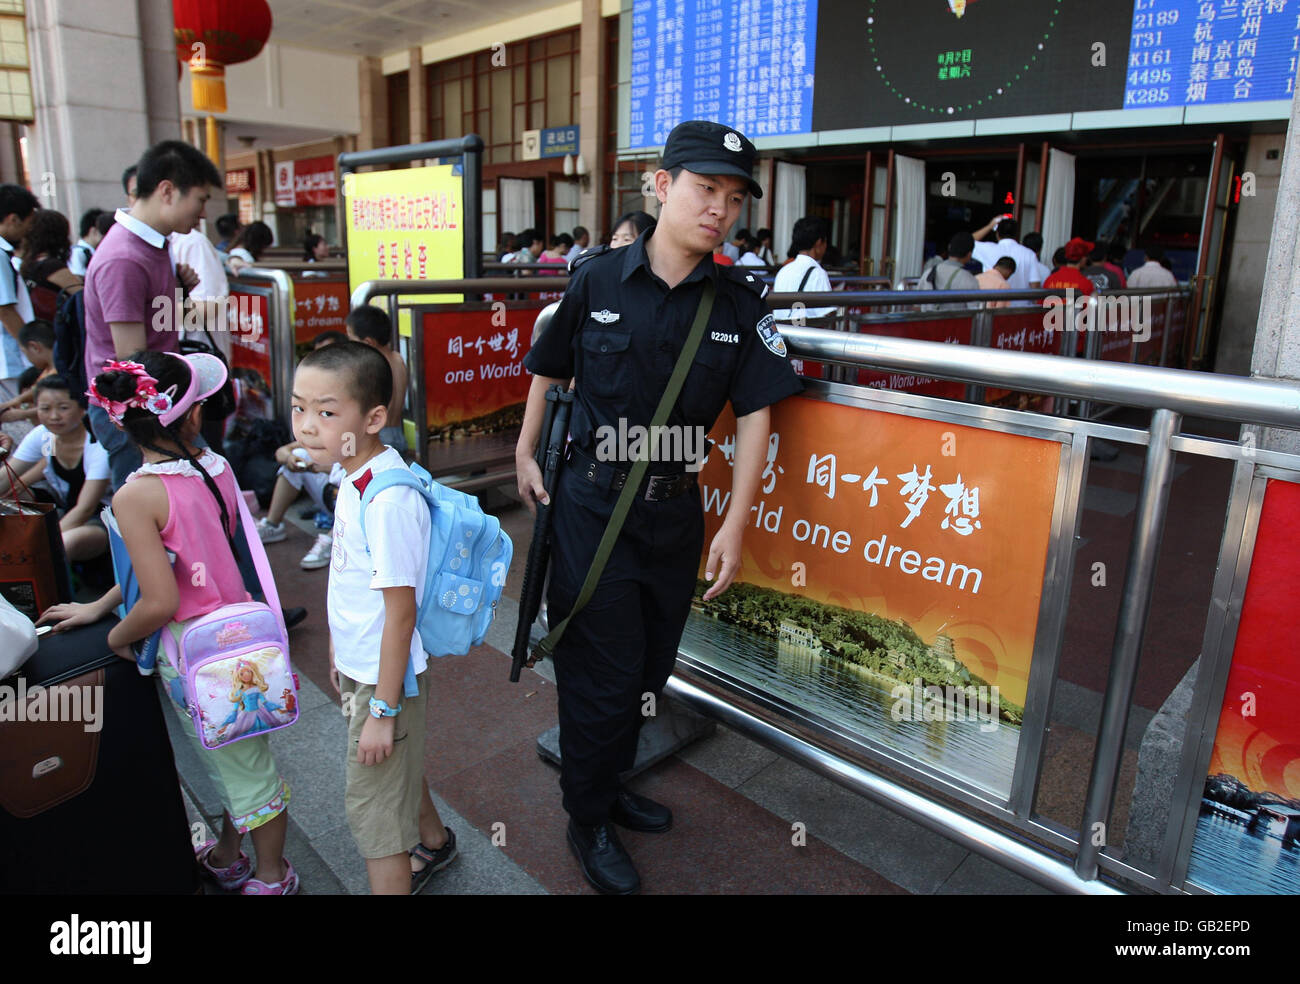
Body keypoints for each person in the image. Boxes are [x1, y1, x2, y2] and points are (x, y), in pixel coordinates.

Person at [517, 119, 802, 895]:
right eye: (706, 188)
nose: (720, 208)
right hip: (592, 510)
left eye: (734, 197)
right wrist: (523, 447)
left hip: (677, 516)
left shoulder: (739, 303)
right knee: (600, 679)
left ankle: (606, 788)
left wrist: (736, 523)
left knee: (650, 668)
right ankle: (585, 818)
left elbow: (754, 415)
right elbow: (549, 365)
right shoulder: (597, 279)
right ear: (661, 185)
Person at [44, 349, 298, 894]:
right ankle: (232, 854)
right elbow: (174, 566)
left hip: (193, 650)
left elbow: (158, 601)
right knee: (237, 754)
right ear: (192, 416)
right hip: (241, 634)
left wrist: (114, 636)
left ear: (115, 421)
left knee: (242, 767)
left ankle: (274, 876)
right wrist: (102, 605)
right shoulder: (218, 467)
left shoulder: (137, 493)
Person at [292, 340, 457, 894]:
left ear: (375, 418)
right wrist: (343, 650)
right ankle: (433, 839)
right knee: (393, 769)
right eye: (298, 407)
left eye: (326, 411)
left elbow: (401, 615)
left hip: (389, 683)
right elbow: (352, 580)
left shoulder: (387, 500)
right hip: (368, 669)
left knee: (376, 822)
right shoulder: (351, 473)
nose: (307, 425)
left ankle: (410, 854)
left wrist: (382, 708)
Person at [84, 140, 217, 491]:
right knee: (148, 515)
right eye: (201, 199)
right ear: (168, 191)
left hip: (157, 405)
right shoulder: (124, 259)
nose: (203, 213)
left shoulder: (154, 245)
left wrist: (176, 289)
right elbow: (132, 363)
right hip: (139, 414)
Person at [0, 375, 110, 561]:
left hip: (100, 519)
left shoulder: (97, 444)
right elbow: (5, 478)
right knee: (11, 493)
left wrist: (35, 543)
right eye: (45, 408)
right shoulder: (45, 437)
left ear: (83, 408)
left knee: (64, 543)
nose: (54, 416)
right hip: (62, 508)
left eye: (63, 408)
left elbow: (85, 508)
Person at [254, 439, 344, 570]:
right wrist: (291, 459)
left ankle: (333, 540)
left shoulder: (357, 434)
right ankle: (272, 525)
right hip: (330, 497)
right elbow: (281, 452)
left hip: (352, 509)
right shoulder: (326, 430)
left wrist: (325, 467)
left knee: (358, 478)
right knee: (299, 454)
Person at [0, 184, 39, 427]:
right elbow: (5, 309)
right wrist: (33, 351)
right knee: (22, 430)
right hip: (10, 359)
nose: (29, 230)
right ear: (13, 219)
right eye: (28, 222)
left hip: (9, 358)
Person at [345, 305, 407, 453]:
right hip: (398, 434)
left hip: (379, 438)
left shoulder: (371, 367)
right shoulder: (397, 359)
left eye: (351, 339)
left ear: (368, 342)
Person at [20, 210, 82, 323]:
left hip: (38, 328)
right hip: (57, 332)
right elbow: (83, 294)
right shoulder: (51, 266)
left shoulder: (29, 264)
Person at [773, 215, 836, 319]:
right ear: (819, 242)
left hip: (782, 333)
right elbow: (827, 314)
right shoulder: (817, 273)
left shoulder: (783, 271)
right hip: (804, 334)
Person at [0, 320, 55, 424]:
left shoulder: (61, 371)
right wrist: (17, 400)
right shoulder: (48, 370)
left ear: (35, 347)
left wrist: (23, 414)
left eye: (25, 352)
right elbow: (39, 389)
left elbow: (57, 405)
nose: (28, 358)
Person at [970, 214, 1038, 291]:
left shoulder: (987, 249)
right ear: (1017, 234)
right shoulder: (1029, 254)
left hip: (993, 301)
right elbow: (1035, 285)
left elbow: (967, 241)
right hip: (1021, 302)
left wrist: (990, 226)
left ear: (997, 234)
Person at [917, 231, 981, 311]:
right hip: (954, 323)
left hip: (927, 322)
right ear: (969, 254)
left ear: (949, 248)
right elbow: (975, 312)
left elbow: (916, 306)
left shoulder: (928, 272)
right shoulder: (969, 279)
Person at [69, 208, 106, 277]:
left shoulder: (90, 251)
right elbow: (79, 277)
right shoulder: (79, 252)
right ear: (93, 231)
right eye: (104, 231)